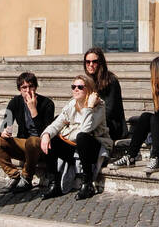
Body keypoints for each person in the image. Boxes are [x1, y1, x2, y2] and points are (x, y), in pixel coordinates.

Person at [40, 71, 111, 202]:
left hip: (94, 147)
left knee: (82, 137)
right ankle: (54, 183)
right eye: (73, 87)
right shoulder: (71, 105)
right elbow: (56, 123)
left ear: (89, 90)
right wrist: (46, 134)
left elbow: (85, 129)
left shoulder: (99, 106)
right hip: (75, 146)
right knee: (51, 140)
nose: (76, 90)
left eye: (80, 87)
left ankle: (87, 183)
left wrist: (89, 106)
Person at [0, 71, 55, 192]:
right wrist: (3, 132)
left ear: (35, 87)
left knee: (32, 141)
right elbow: (5, 123)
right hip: (23, 143)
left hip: (40, 146)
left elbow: (46, 133)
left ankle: (27, 178)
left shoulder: (47, 103)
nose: (28, 90)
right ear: (19, 89)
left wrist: (33, 110)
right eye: (24, 87)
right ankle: (14, 176)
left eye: (31, 86)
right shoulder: (15, 102)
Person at [83, 47, 126, 140]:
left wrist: (90, 117)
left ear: (100, 63)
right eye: (88, 62)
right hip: (92, 119)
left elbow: (110, 111)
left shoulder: (111, 80)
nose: (91, 65)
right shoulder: (86, 81)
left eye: (94, 62)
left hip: (110, 125)